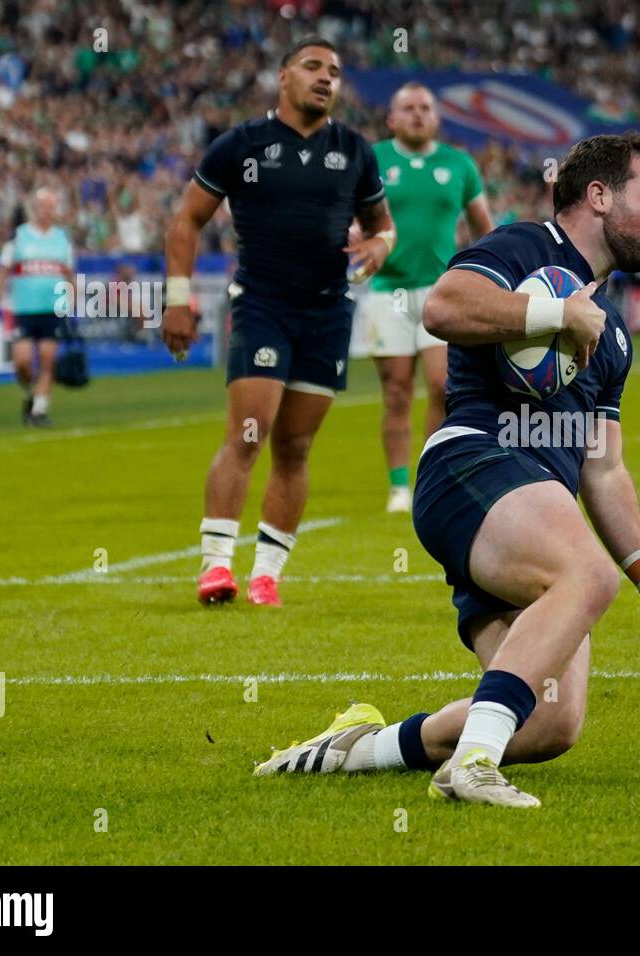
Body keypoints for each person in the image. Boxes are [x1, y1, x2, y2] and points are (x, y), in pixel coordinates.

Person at [253, 133, 640, 808]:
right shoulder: (525, 247)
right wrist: (554, 312)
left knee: (550, 723)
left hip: (533, 510)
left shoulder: (615, 332)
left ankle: (357, 748)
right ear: (599, 197)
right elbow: (442, 307)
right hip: (472, 464)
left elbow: (604, 470)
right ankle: (471, 766)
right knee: (585, 573)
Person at [161, 37, 395, 607]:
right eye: (313, 66)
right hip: (263, 305)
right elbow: (187, 220)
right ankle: (216, 564)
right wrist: (177, 298)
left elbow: (382, 225)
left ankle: (267, 573)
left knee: (294, 447)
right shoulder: (242, 144)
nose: (326, 78)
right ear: (283, 76)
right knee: (248, 434)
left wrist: (381, 246)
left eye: (335, 71)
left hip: (328, 313)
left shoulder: (355, 151)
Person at [365, 82, 494, 512]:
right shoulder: (375, 160)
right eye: (408, 108)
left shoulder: (458, 164)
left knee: (442, 386)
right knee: (397, 391)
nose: (418, 114)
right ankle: (398, 486)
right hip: (387, 291)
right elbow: (352, 216)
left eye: (425, 107)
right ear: (392, 118)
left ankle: (428, 477)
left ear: (437, 118)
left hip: (441, 291)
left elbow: (483, 227)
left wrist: (493, 272)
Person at [0, 188, 74, 425]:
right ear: (35, 209)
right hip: (24, 310)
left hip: (53, 309)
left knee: (48, 359)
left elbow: (69, 276)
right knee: (22, 362)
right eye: (43, 206)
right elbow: (1, 274)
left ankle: (40, 409)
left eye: (51, 206)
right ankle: (30, 393)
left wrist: (72, 305)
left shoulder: (61, 239)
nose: (47, 211)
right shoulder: (19, 238)